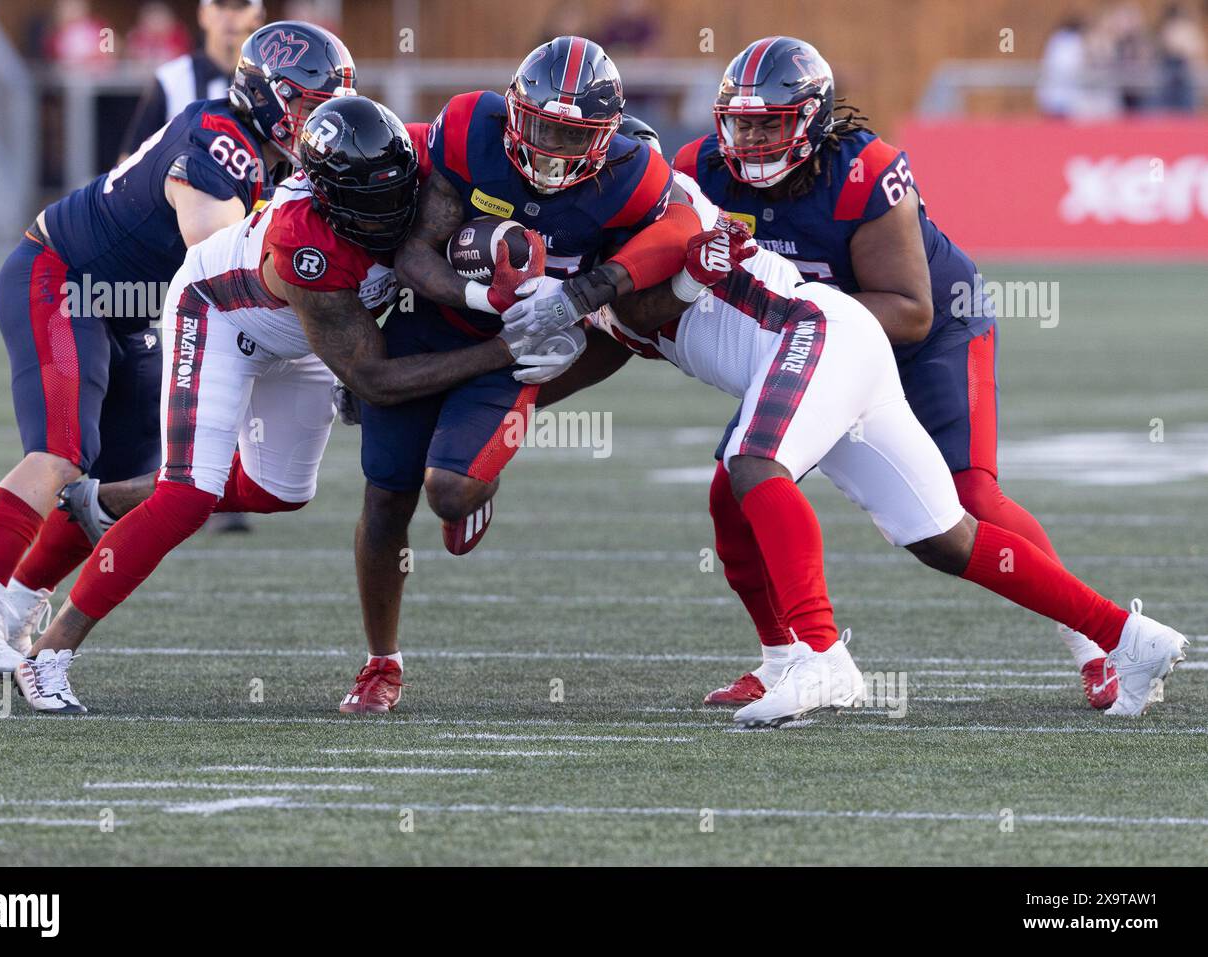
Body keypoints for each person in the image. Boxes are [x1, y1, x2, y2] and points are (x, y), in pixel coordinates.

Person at [13, 95, 575, 713]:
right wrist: (507, 349)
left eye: (400, 193)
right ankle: (48, 656)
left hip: (312, 334)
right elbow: (375, 379)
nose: (392, 213)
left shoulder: (414, 154)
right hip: (223, 315)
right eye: (371, 202)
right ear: (328, 196)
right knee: (187, 497)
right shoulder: (305, 241)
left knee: (280, 491)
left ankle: (109, 498)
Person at [576, 171, 1189, 725]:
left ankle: (820, 655)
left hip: (814, 333)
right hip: (832, 350)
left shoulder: (671, 208)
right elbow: (595, 336)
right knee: (946, 537)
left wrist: (573, 299)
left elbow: (654, 271)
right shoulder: (590, 261)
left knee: (756, 466)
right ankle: (1129, 636)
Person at [672, 37, 1119, 709]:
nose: (753, 138)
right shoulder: (699, 170)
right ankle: (785, 658)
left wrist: (803, 325)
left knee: (971, 498)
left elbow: (911, 309)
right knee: (738, 487)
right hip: (806, 342)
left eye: (772, 122)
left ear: (813, 120)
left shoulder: (864, 171)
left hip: (927, 333)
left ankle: (1099, 642)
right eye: (743, 121)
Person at [0, 22, 356, 676]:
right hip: (62, 277)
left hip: (129, 314)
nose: (319, 121)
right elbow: (225, 269)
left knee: (111, 479)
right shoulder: (224, 150)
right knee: (60, 454)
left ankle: (14, 613)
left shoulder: (261, 151)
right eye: (307, 105)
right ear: (267, 98)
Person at [338, 36, 702, 714]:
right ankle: (380, 661)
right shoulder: (471, 132)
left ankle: (479, 480)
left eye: (571, 134)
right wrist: (480, 296)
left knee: (449, 490)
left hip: (525, 342)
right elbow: (415, 250)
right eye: (539, 126)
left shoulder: (632, 173)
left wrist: (581, 298)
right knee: (386, 497)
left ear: (606, 136)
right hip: (430, 321)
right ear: (512, 112)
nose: (550, 148)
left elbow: (677, 232)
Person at [120, 0, 266, 159]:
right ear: (202, 14)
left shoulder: (269, 80)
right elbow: (130, 160)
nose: (229, 16)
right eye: (220, 6)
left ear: (258, 17)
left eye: (240, 7)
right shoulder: (170, 79)